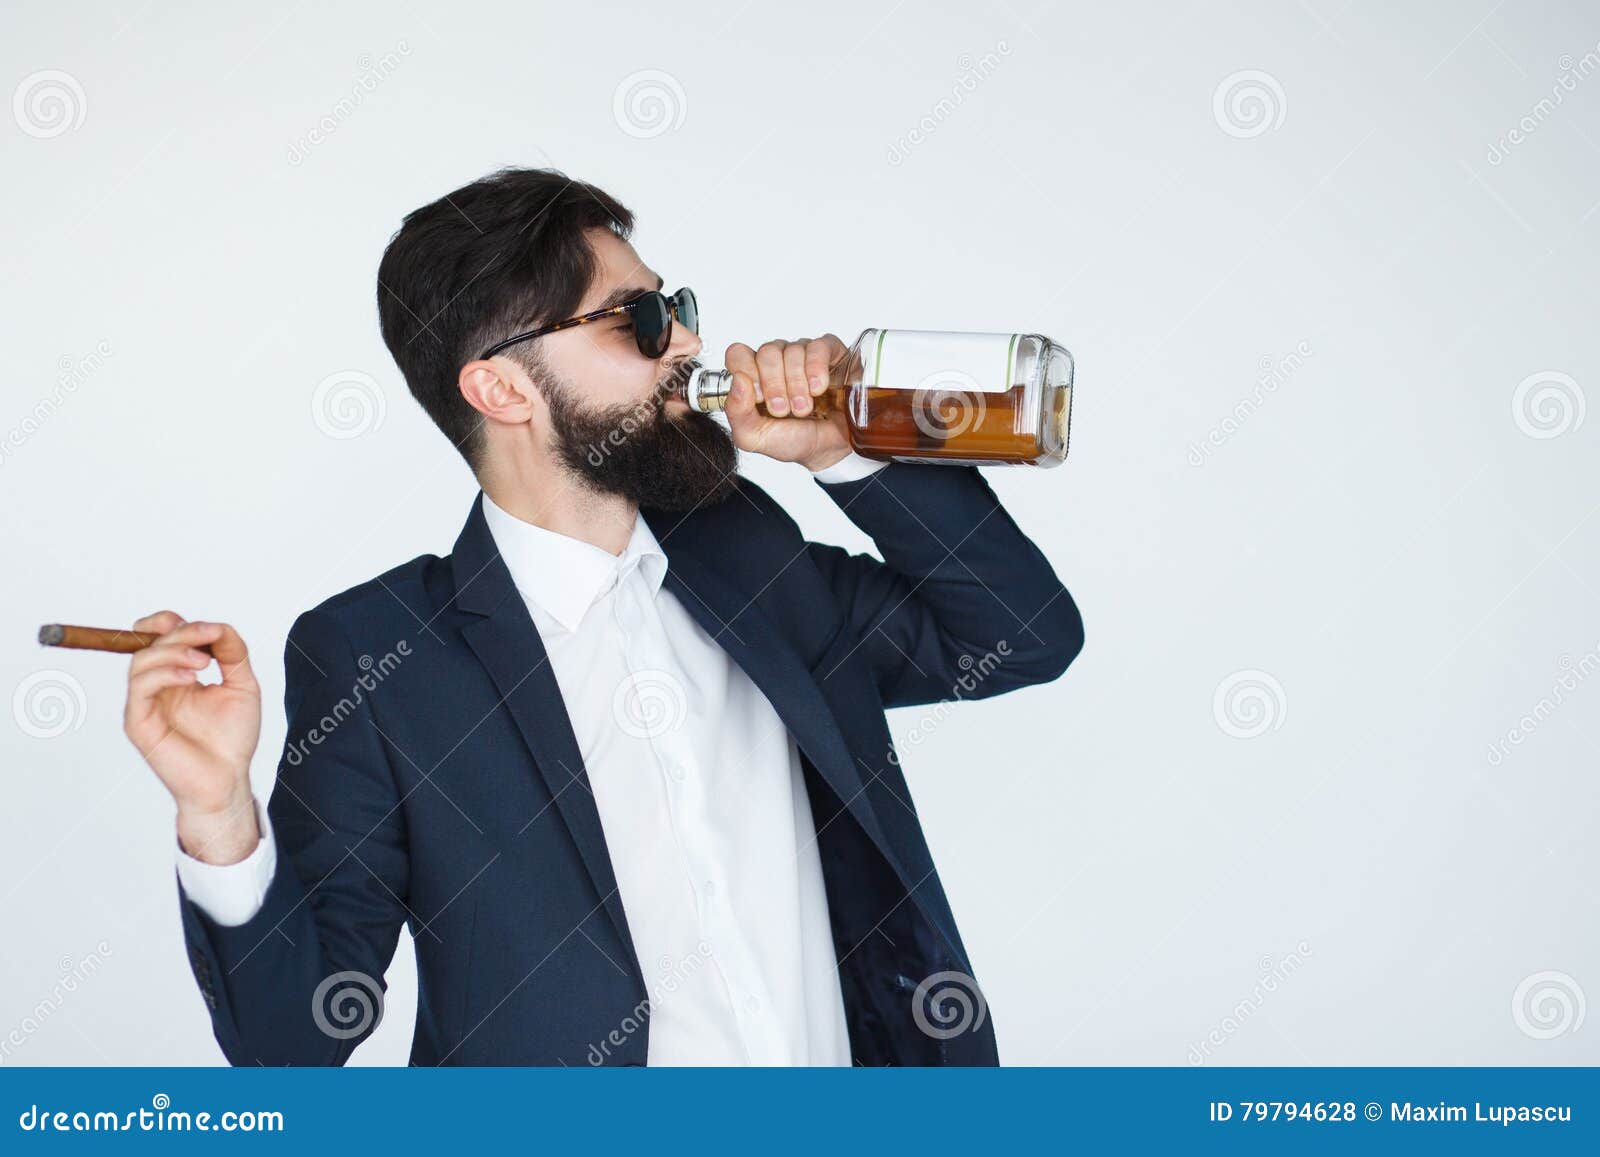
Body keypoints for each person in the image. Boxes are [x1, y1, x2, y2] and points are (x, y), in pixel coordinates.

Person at [121, 167, 1084, 1066]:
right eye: (641, 321)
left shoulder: (749, 552)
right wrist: (219, 814)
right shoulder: (378, 657)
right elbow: (294, 1043)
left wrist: (847, 451)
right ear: (501, 387)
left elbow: (1019, 634)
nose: (691, 343)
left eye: (678, 307)